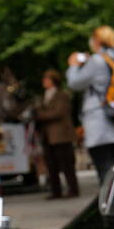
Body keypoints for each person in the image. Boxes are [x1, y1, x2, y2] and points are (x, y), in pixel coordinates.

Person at [67, 25, 114, 181]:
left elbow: (75, 83)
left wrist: (74, 66)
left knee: (106, 171)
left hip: (100, 124)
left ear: (96, 41)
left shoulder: (97, 61)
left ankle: (111, 202)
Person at [35, 69, 79, 199]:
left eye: (46, 79)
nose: (44, 82)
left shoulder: (61, 95)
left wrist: (40, 115)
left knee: (66, 164)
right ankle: (56, 190)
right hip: (48, 136)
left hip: (61, 135)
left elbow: (58, 113)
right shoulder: (44, 96)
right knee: (51, 164)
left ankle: (73, 189)